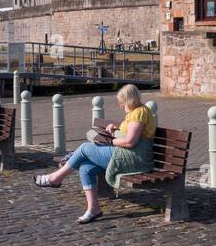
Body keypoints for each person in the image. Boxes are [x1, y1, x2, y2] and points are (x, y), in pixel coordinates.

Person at [33, 84, 155, 223]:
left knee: (85, 148)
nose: (120, 105)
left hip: (134, 158)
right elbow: (130, 131)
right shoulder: (135, 113)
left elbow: (130, 142)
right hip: (128, 154)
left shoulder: (139, 113)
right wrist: (115, 129)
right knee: (86, 167)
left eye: (121, 102)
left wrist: (109, 141)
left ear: (128, 100)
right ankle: (94, 209)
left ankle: (56, 178)